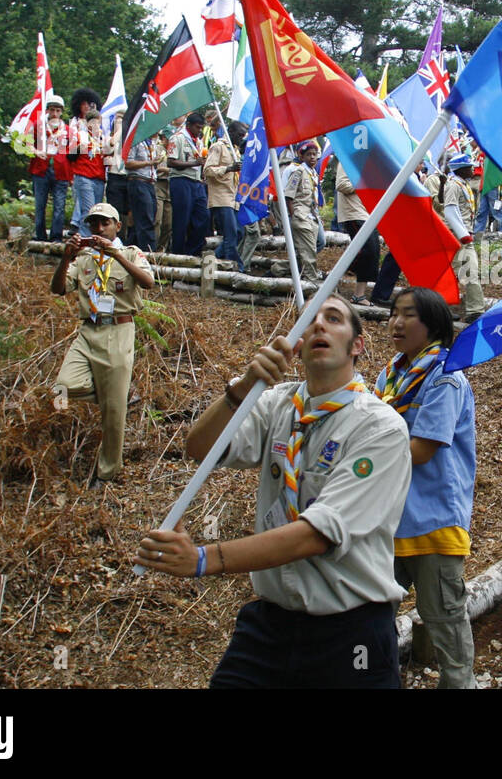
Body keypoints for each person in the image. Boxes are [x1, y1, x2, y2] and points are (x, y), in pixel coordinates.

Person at [135, 294, 412, 689]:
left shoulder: (380, 428)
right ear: (296, 343)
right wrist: (243, 386)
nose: (319, 325)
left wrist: (202, 559)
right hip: (271, 624)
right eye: (310, 320)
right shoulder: (275, 403)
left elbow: (317, 534)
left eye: (333, 319)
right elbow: (200, 449)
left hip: (352, 629)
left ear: (358, 345)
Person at [375, 288, 477, 688]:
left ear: (433, 324)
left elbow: (421, 450)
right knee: (371, 615)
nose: (397, 322)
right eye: (393, 313)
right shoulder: (391, 374)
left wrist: (365, 445)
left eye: (408, 314)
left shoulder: (445, 377)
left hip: (432, 520)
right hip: (388, 519)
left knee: (445, 620)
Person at [50, 203, 154, 485]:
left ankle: (107, 471)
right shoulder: (83, 259)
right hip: (88, 331)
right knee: (61, 387)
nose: (98, 229)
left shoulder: (131, 252)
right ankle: (118, 395)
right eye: (93, 224)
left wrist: (117, 256)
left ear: (117, 226)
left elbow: (148, 283)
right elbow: (58, 289)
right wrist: (65, 257)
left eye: (104, 223)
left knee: (113, 417)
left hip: (119, 330)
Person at [441, 156, 484, 320]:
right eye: (469, 167)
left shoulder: (463, 184)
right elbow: (450, 211)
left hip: (465, 234)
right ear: (461, 169)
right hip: (457, 236)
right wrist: (463, 234)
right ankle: (472, 310)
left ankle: (475, 310)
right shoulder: (454, 185)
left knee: (469, 272)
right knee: (464, 272)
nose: (473, 169)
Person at [335, 156, 380, 304]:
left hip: (366, 213)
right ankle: (334, 280)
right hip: (353, 213)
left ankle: (358, 295)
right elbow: (341, 185)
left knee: (372, 253)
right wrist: (364, 182)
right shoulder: (347, 160)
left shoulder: (366, 164)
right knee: (365, 251)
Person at [26, 95, 71, 242]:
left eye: (58, 110)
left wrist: (73, 175)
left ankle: (56, 236)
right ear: (47, 110)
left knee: (59, 206)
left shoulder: (68, 130)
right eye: (52, 110)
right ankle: (40, 235)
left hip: (61, 172)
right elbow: (26, 143)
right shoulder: (38, 126)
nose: (55, 113)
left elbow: (74, 152)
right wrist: (36, 151)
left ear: (61, 112)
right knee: (40, 204)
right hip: (41, 170)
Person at [204, 121, 247, 271]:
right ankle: (235, 268)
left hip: (233, 197)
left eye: (243, 136)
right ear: (230, 132)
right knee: (231, 234)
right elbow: (208, 170)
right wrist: (228, 168)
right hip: (221, 197)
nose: (242, 138)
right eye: (239, 135)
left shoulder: (234, 150)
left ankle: (211, 260)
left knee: (240, 232)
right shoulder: (218, 147)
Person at [167, 112, 210, 256]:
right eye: (197, 127)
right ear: (189, 125)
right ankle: (178, 255)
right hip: (181, 181)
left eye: (201, 128)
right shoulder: (177, 138)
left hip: (197, 182)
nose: (199, 131)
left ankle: (192, 252)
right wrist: (193, 163)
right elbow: (171, 162)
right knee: (181, 220)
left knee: (203, 217)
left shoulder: (198, 142)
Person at [282, 141, 323, 283]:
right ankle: (311, 280)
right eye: (308, 155)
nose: (312, 157)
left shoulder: (313, 173)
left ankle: (279, 269)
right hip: (301, 216)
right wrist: (294, 216)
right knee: (308, 252)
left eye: (314, 154)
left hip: (312, 217)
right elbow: (288, 196)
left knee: (310, 248)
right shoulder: (298, 171)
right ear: (302, 156)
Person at [68, 107, 107, 237]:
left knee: (96, 212)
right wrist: (79, 148)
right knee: (88, 211)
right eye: (93, 122)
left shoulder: (102, 138)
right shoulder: (81, 136)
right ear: (87, 123)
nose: (96, 125)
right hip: (84, 177)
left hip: (99, 179)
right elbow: (69, 156)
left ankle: (93, 238)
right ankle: (85, 241)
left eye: (98, 122)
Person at [124, 132, 159, 253]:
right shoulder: (136, 140)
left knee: (145, 218)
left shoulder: (153, 143)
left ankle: (131, 249)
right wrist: (149, 163)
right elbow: (128, 163)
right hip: (138, 181)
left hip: (150, 182)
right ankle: (149, 253)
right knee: (146, 219)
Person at [153, 127, 174, 253]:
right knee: (157, 220)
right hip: (158, 185)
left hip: (170, 187)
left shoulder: (173, 150)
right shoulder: (158, 149)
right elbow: (158, 168)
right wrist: (173, 170)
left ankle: (161, 250)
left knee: (168, 223)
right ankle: (153, 249)